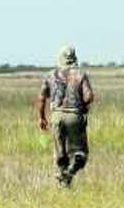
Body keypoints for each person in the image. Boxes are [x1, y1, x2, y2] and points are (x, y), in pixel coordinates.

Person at [38, 45, 95, 185]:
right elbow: (89, 97)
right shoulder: (80, 75)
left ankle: (63, 181)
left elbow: (41, 98)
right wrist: (84, 106)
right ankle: (69, 174)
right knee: (80, 154)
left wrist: (42, 117)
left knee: (60, 155)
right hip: (74, 116)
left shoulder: (50, 75)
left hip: (56, 116)